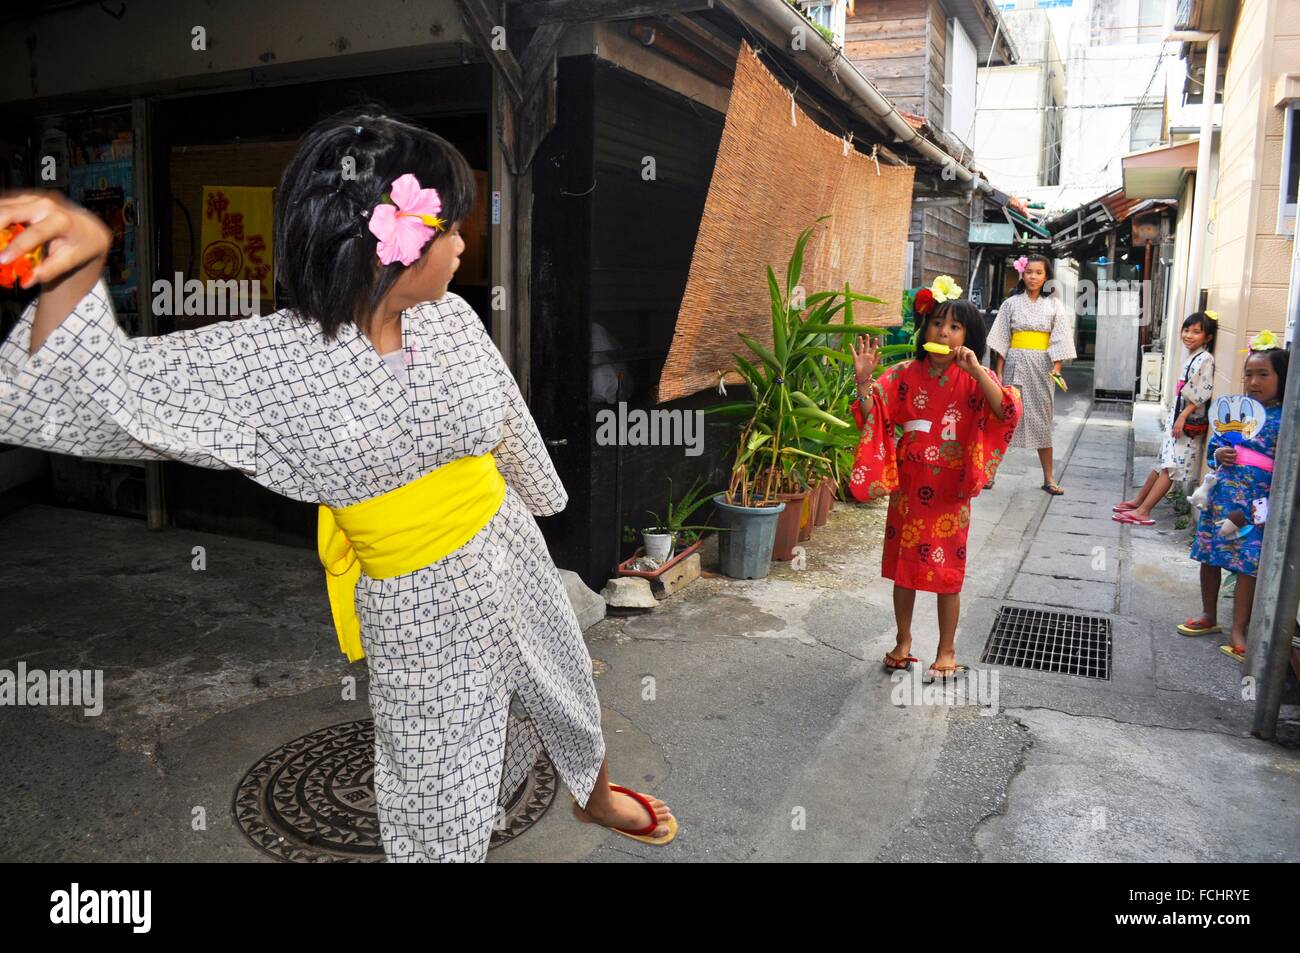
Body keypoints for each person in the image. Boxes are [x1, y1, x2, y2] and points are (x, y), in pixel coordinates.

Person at [0, 108, 675, 861]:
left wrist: (542, 506)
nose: (461, 244)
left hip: (506, 541)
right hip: (416, 598)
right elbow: (116, 390)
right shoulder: (270, 362)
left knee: (565, 682)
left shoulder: (451, 318)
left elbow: (508, 424)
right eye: (447, 227)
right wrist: (83, 258)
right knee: (433, 779)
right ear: (391, 246)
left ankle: (595, 794)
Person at [849, 295, 1022, 681]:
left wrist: (978, 372)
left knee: (948, 573)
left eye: (955, 327)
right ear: (925, 328)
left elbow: (1006, 411)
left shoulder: (975, 375)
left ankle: (947, 650)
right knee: (904, 569)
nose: (943, 332)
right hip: (910, 486)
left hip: (951, 490)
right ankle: (903, 642)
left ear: (968, 336)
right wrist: (863, 380)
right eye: (937, 323)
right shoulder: (904, 373)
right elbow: (870, 416)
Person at [1179, 335, 1288, 661]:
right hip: (1223, 495)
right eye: (1248, 375)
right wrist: (1220, 452)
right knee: (1209, 555)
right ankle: (1209, 616)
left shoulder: (1286, 419)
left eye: (1263, 375)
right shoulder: (1236, 411)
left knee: (1247, 565)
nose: (1253, 382)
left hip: (1255, 504)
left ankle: (1239, 629)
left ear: (1282, 379)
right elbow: (1214, 450)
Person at [1114, 311, 1217, 525]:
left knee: (1171, 468)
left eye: (1196, 332)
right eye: (1186, 330)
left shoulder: (1205, 359)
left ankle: (1144, 511)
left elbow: (1200, 393)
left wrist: (1182, 418)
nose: (1189, 335)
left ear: (1207, 337)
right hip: (1177, 418)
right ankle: (1139, 501)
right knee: (1163, 461)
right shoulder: (1193, 356)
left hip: (1187, 423)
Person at [987, 254, 1075, 495]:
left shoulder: (1055, 305)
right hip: (1015, 362)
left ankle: (1049, 478)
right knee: (1005, 417)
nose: (1033, 277)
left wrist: (1056, 369)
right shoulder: (1010, 304)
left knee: (1042, 420)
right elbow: (1002, 339)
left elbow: (1060, 339)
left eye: (1039, 272)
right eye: (1029, 272)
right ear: (1022, 274)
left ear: (1046, 277)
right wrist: (999, 373)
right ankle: (989, 473)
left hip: (1042, 367)